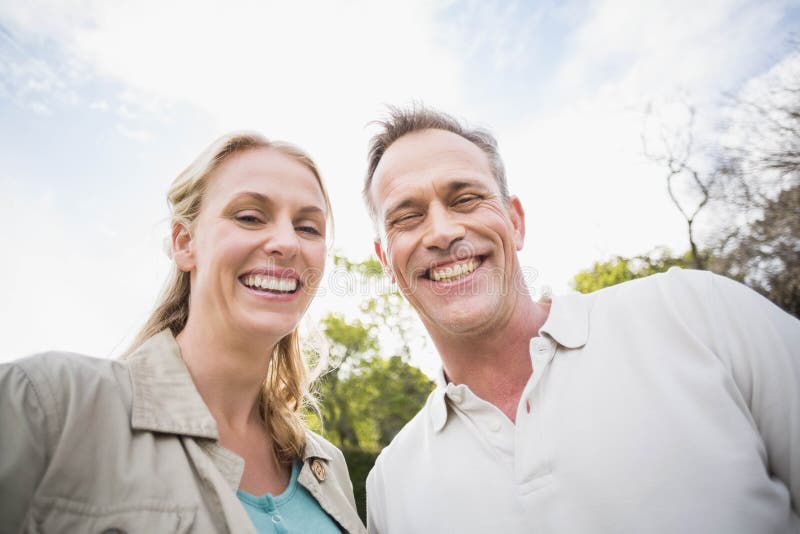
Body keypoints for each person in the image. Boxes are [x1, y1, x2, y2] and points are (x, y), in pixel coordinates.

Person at [362, 105, 800, 533]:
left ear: (515, 222)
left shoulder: (697, 312)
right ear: (386, 261)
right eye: (407, 217)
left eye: (466, 199)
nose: (442, 232)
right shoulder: (390, 487)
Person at [0, 132, 366, 533]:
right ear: (184, 242)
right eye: (249, 217)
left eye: (308, 227)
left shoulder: (329, 467)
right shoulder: (49, 405)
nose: (286, 242)